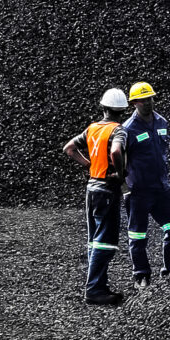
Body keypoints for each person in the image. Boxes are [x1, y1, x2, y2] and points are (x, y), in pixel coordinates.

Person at [62, 88, 131, 306]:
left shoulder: (92, 129)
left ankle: (98, 285)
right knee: (105, 242)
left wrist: (91, 166)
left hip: (91, 187)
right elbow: (116, 152)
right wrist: (119, 175)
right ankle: (94, 290)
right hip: (106, 190)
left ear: (103, 107)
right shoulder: (118, 130)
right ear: (122, 111)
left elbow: (69, 149)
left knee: (94, 239)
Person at [117, 80, 170, 290]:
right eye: (142, 100)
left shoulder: (162, 122)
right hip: (139, 191)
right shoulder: (127, 129)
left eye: (150, 98)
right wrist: (124, 188)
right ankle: (141, 276)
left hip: (162, 188)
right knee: (138, 236)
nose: (147, 103)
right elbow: (117, 157)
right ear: (134, 103)